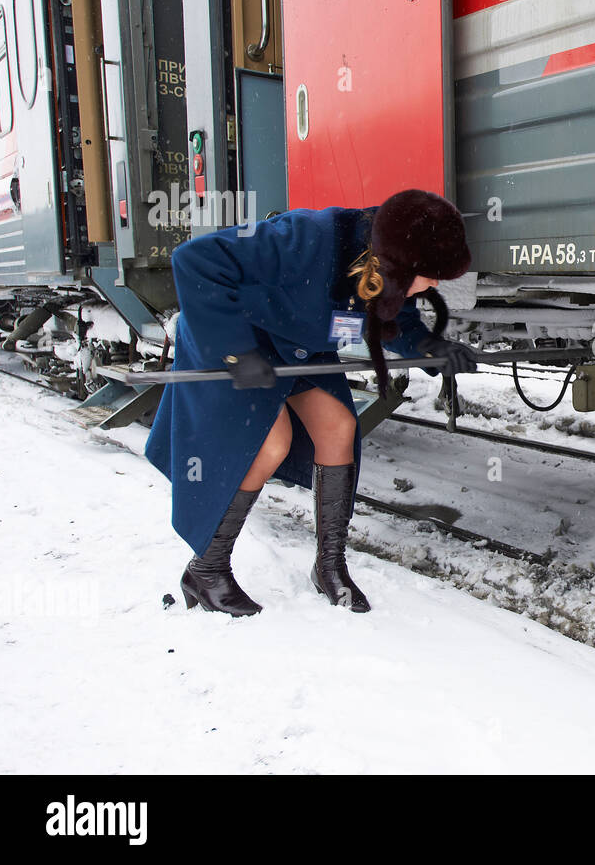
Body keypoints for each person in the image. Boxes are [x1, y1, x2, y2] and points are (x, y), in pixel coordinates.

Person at [143, 189, 475, 616]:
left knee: (339, 426)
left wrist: (431, 347)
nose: (432, 285)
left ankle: (329, 566)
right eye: (428, 275)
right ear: (399, 262)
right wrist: (235, 352)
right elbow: (194, 260)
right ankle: (206, 570)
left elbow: (390, 312)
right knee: (270, 442)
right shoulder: (303, 238)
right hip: (241, 337)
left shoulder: (381, 259)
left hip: (299, 346)